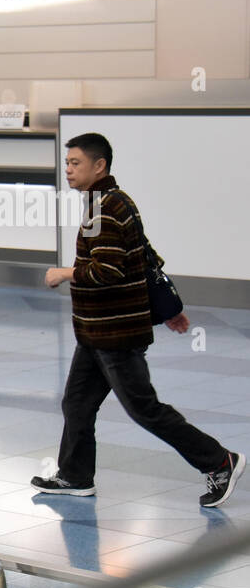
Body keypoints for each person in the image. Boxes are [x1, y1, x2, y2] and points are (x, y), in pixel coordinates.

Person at [33, 132, 243, 508]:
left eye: (75, 163)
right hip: (97, 331)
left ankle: (219, 461)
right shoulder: (112, 201)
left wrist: (64, 273)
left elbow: (109, 270)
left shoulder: (105, 208)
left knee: (144, 409)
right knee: (77, 403)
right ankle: (75, 476)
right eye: (67, 163)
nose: (68, 169)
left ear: (100, 166)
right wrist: (169, 310)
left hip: (115, 332)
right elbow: (146, 256)